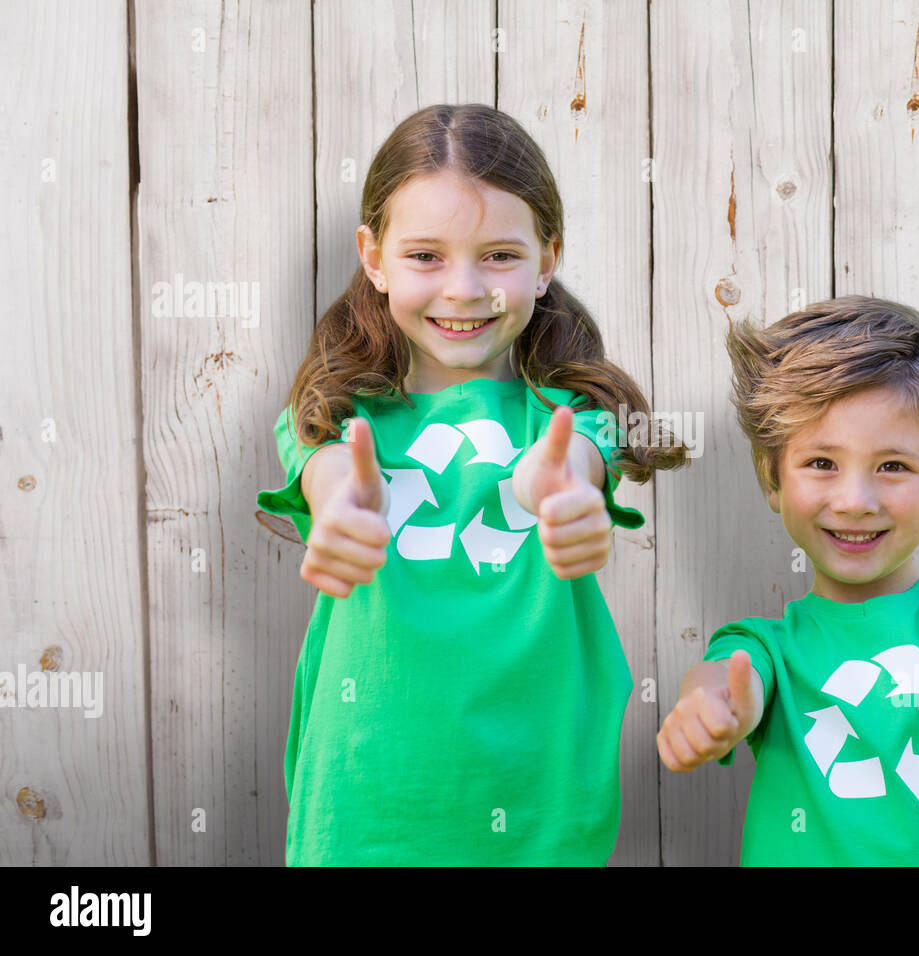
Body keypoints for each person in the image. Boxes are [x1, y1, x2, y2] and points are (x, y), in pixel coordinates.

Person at [256, 103, 685, 865]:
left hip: (537, 800)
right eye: (425, 255)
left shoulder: (572, 416)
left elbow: (574, 464)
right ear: (374, 256)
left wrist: (564, 496)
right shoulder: (331, 415)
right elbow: (327, 476)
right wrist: (339, 514)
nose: (464, 289)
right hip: (366, 803)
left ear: (547, 258)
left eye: (498, 256)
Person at [656, 295, 919, 865]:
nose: (855, 501)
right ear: (773, 479)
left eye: (893, 466)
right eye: (821, 463)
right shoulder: (765, 649)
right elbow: (723, 681)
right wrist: (710, 708)